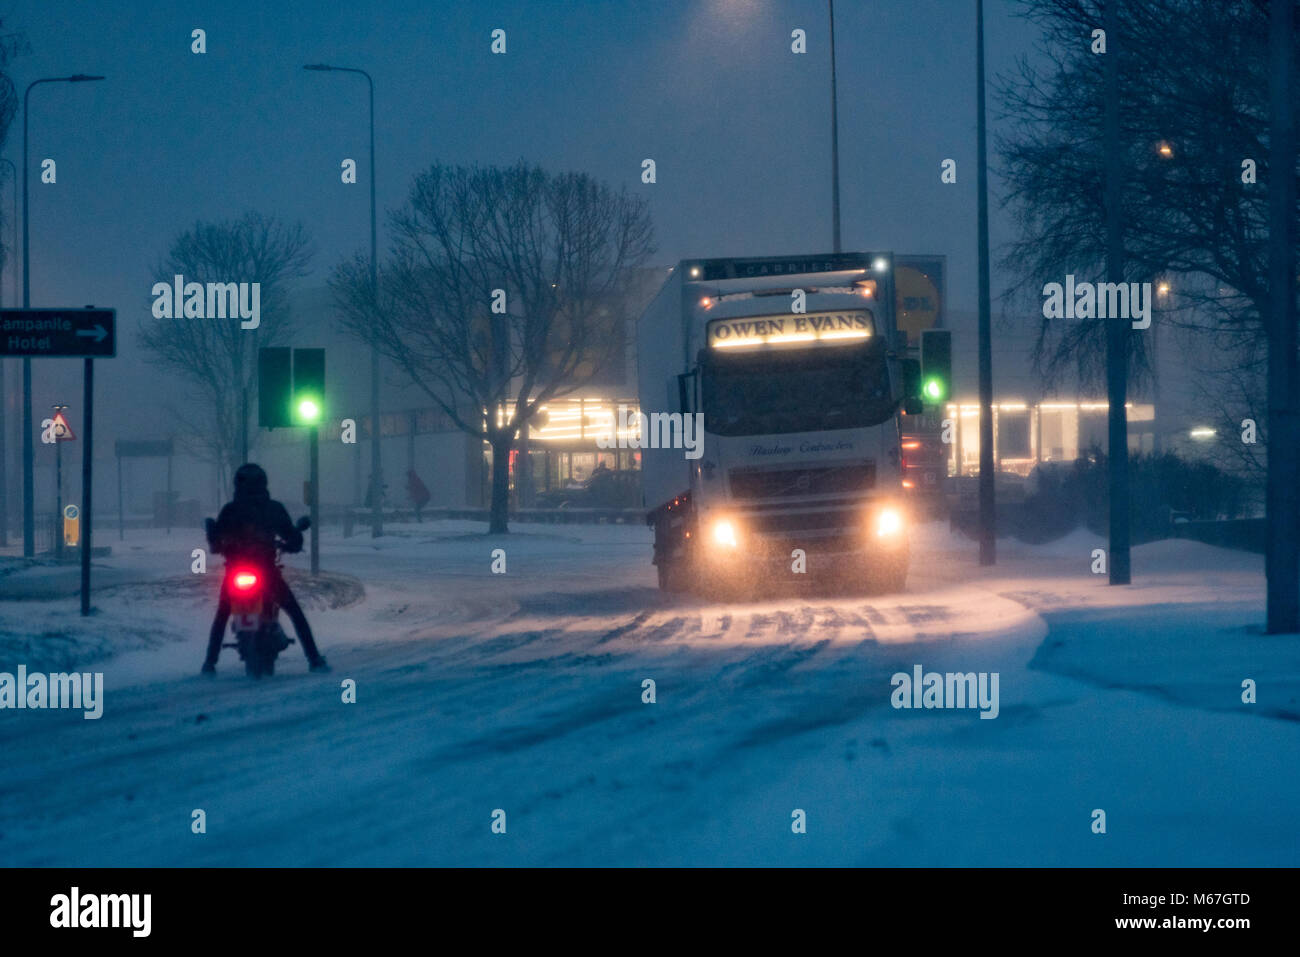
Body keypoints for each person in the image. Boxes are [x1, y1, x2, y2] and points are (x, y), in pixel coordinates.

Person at [201, 463, 329, 675]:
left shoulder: (230, 510)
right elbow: (292, 536)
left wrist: (217, 538)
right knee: (294, 611)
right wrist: (293, 541)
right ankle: (314, 659)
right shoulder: (272, 508)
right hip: (265, 571)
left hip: (236, 571)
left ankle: (209, 664)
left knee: (222, 614)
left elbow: (215, 544)